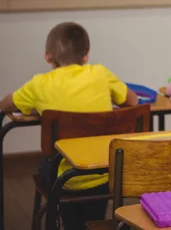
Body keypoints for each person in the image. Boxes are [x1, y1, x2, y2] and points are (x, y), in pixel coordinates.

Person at [0, 22, 138, 230]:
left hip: (63, 179)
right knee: (92, 210)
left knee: (48, 165)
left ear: (47, 56)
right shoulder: (100, 73)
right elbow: (133, 102)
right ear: (86, 56)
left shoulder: (39, 84)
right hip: (104, 174)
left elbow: (6, 105)